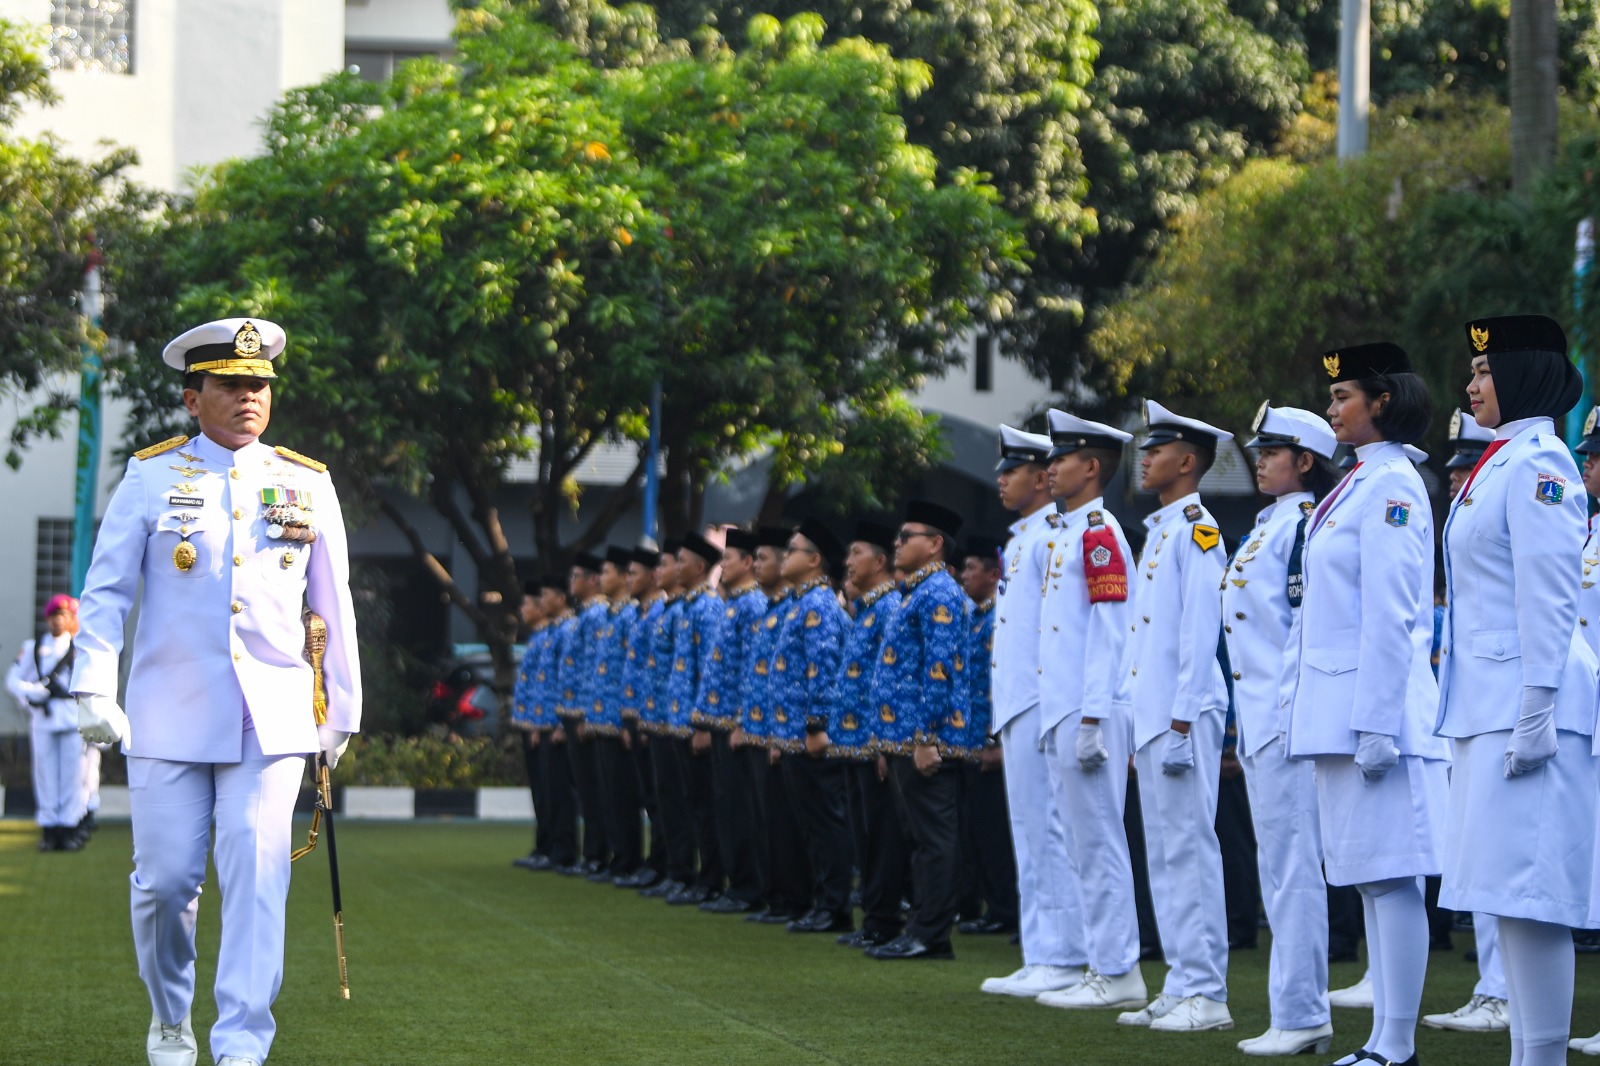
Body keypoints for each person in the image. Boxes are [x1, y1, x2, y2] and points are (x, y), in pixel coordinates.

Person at [71, 318, 359, 1066]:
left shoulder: (307, 481)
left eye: (259, 385)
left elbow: (332, 606)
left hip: (272, 717)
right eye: (231, 386)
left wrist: (341, 711)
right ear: (193, 398)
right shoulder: (151, 476)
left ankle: (240, 1047)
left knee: (258, 882)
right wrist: (94, 687)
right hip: (170, 713)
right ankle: (171, 1018)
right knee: (166, 884)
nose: (249, 397)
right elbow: (104, 593)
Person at [1435, 315, 1597, 1066]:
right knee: (1508, 900)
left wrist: (1538, 704)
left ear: (1524, 377)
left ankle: (1542, 1058)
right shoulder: (1506, 461)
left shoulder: (1542, 465)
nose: (1471, 387)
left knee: (1535, 903)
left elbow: (1551, 596)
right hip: (1489, 707)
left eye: (1485, 373)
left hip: (1527, 710)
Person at [1284, 340, 1449, 1066]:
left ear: (1381, 403)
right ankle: (1386, 1039)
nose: (1331, 408)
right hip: (1342, 713)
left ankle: (1398, 1043)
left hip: (1372, 716)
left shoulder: (1392, 486)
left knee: (1391, 879)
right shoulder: (1359, 482)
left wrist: (1378, 723)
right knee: (1369, 878)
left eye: (1343, 396)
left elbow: (1392, 614)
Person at [1221, 402, 1340, 1056]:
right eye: (1258, 449)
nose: (1259, 458)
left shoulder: (1303, 527)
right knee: (1281, 869)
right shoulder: (1271, 524)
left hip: (1287, 721)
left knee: (1293, 870)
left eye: (1272, 450)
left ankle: (1301, 1014)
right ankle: (1297, 1010)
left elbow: (1302, 630)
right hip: (1262, 720)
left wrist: (1291, 718)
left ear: (1306, 462)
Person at [1115, 399, 1234, 1033]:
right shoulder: (1162, 527)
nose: (1146, 457)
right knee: (1163, 853)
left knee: (1190, 850)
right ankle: (1182, 979)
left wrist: (1185, 718)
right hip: (1156, 712)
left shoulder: (1196, 527)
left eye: (1157, 450)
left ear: (1187, 462)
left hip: (1183, 713)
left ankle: (1208, 993)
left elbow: (1199, 631)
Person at [1027, 410, 1149, 1014]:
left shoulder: (1099, 532)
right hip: (1066, 708)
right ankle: (1102, 961)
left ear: (1092, 467)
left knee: (1099, 844)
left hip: (1087, 709)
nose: (1050, 468)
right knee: (1082, 845)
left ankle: (1117, 968)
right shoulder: (1067, 531)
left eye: (1062, 458)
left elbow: (1110, 630)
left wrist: (1096, 717)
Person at [983, 424, 1089, 997]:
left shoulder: (1052, 536)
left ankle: (1064, 954)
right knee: (1028, 827)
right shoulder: (1025, 536)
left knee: (1049, 828)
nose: (1002, 480)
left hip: (1041, 697)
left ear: (1042, 476)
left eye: (1013, 470)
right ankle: (1041, 949)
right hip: (1018, 697)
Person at [1421, 417, 1511, 1037]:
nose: (1456, 474)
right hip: (1473, 706)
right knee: (1480, 852)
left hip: (1521, 708)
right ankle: (1493, 988)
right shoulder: (1462, 529)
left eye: (1468, 462)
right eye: (1454, 465)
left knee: (1506, 854)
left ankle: (1507, 992)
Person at [865, 499, 970, 960]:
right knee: (918, 839)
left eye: (906, 537)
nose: (896, 544)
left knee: (933, 839)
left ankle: (931, 934)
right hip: (904, 735)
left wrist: (927, 736)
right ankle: (920, 926)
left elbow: (939, 668)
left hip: (927, 738)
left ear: (934, 545)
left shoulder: (940, 593)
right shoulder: (916, 591)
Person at [826, 519, 908, 948]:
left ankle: (884, 919)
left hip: (873, 742)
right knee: (866, 836)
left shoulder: (889, 607)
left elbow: (888, 681)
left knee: (881, 837)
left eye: (856, 553)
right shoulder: (868, 610)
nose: (848, 561)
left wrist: (881, 741)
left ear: (879, 561)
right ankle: (873, 918)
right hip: (853, 742)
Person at [771, 518, 853, 934]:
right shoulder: (801, 602)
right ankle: (821, 900)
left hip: (813, 734)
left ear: (815, 560)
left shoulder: (819, 604)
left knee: (825, 821)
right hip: (795, 734)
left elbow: (823, 672)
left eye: (793, 550)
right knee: (811, 823)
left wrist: (817, 726)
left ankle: (834, 905)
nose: (785, 556)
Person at [694, 528, 766, 913]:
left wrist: (741, 720)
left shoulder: (752, 604)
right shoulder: (733, 604)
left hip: (736, 724)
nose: (723, 563)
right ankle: (737, 883)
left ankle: (747, 886)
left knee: (740, 807)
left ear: (750, 562)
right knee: (725, 805)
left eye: (730, 557)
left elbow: (751, 670)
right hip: (720, 721)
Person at [954, 534, 1019, 937]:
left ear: (994, 574)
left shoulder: (1000, 618)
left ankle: (1007, 909)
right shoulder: (977, 616)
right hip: (973, 739)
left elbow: (1003, 683)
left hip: (995, 744)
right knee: (978, 830)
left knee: (999, 833)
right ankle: (992, 907)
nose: (964, 576)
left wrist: (998, 744)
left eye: (971, 568)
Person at [664, 531, 728, 905]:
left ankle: (710, 877)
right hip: (677, 719)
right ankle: (686, 875)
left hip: (696, 724)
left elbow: (709, 670)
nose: (675, 567)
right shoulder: (687, 607)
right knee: (686, 802)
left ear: (700, 567)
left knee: (704, 805)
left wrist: (703, 724)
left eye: (682, 561)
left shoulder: (707, 608)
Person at [6, 593, 86, 852]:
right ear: (47, 619)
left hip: (71, 716)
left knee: (72, 776)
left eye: (62, 616)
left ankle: (69, 828)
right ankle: (49, 829)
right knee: (45, 775)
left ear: (71, 619)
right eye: (53, 616)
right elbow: (12, 681)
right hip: (44, 717)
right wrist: (32, 692)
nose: (57, 621)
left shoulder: (79, 647)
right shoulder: (33, 647)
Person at [590, 546, 645, 883]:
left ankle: (628, 858)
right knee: (608, 792)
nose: (602, 578)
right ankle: (616, 855)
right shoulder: (611, 615)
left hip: (618, 718)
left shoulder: (629, 616)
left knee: (624, 794)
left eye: (607, 572)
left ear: (625, 577)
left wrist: (628, 718)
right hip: (602, 716)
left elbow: (633, 670)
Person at [559, 552, 612, 877]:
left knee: (596, 788)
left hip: (589, 713)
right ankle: (593, 853)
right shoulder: (585, 616)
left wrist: (586, 715)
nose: (571, 583)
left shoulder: (598, 615)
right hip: (581, 712)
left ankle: (598, 853)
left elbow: (596, 670)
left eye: (577, 576)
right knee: (589, 788)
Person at [510, 577, 551, 869]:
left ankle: (556, 848)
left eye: (527, 603)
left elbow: (549, 686)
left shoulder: (551, 635)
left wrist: (539, 724)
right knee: (541, 791)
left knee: (552, 792)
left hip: (545, 724)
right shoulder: (538, 637)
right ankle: (544, 845)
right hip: (531, 723)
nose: (522, 609)